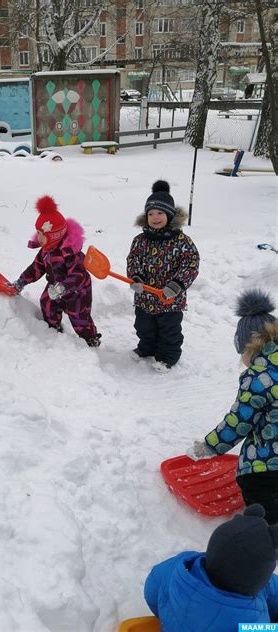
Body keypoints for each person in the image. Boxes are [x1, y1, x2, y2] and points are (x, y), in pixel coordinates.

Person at [188, 289, 278, 524]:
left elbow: (240, 420)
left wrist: (209, 447)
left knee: (265, 513)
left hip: (267, 469)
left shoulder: (260, 376)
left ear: (252, 346)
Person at [144, 504, 278, 630]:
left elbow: (152, 586)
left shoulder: (181, 566)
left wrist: (167, 616)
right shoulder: (250, 622)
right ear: (257, 579)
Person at [126, 180, 199, 371]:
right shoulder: (140, 241)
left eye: (160, 213)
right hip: (145, 296)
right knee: (143, 327)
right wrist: (136, 278)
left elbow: (191, 264)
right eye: (150, 213)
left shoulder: (181, 241)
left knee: (169, 330)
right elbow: (133, 261)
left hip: (169, 299)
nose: (155, 217)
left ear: (169, 214)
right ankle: (147, 348)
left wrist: (176, 285)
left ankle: (168, 356)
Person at [10, 195, 101, 347]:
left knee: (80, 318)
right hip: (55, 287)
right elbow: (36, 268)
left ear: (54, 235)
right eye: (37, 232)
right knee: (47, 302)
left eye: (41, 234)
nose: (38, 237)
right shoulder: (46, 251)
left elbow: (78, 276)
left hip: (77, 293)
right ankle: (53, 329)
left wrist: (63, 287)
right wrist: (22, 281)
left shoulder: (71, 253)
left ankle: (90, 338)